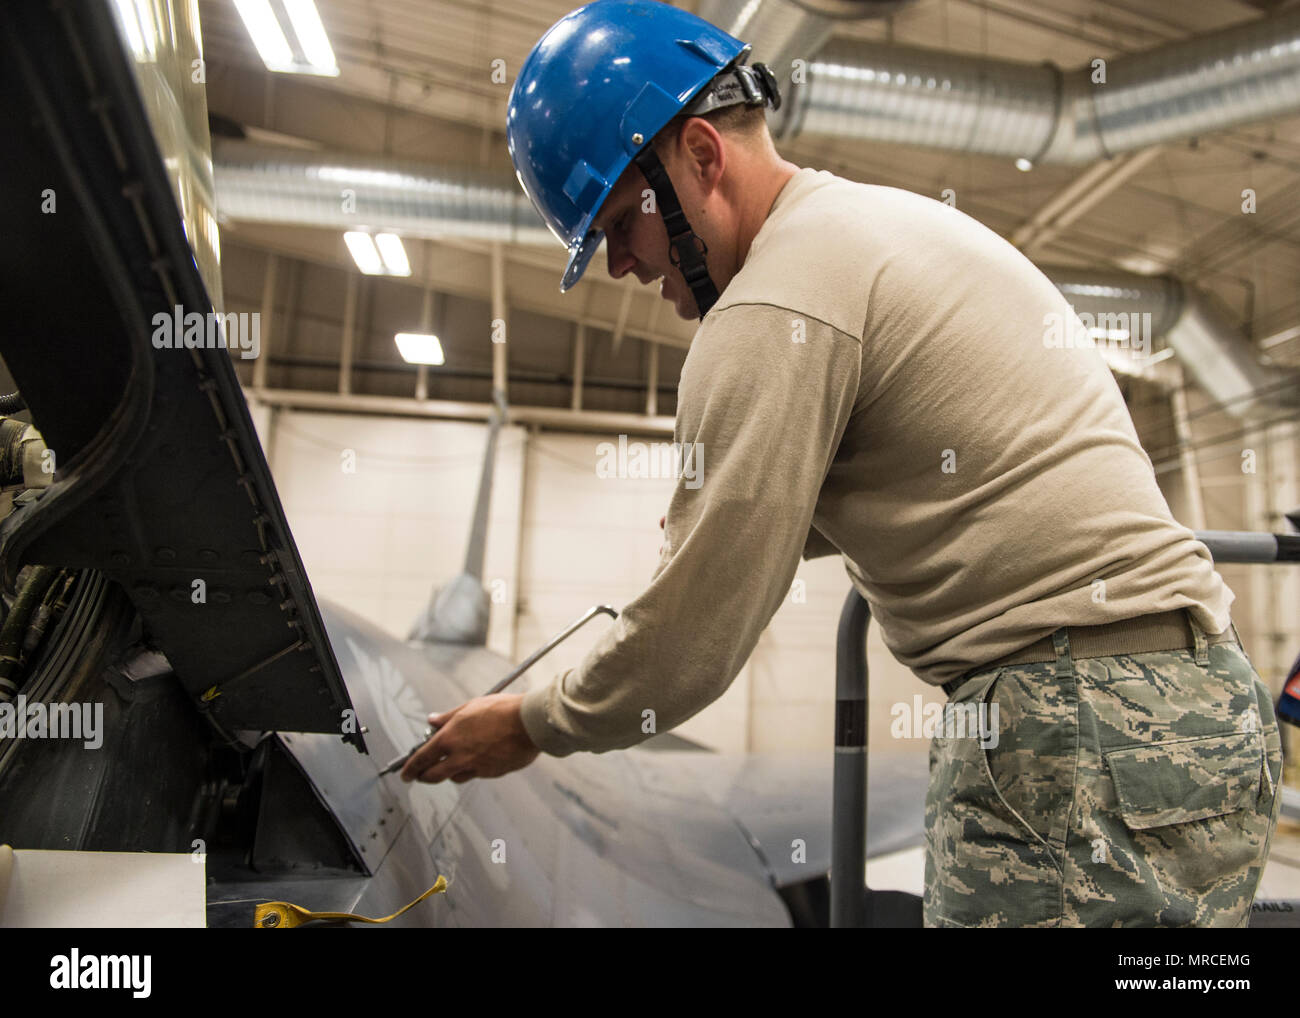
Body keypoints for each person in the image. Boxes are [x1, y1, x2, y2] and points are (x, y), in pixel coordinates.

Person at [401, 0, 1283, 928]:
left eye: (621, 224)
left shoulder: (773, 306)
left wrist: (532, 722)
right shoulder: (870, 230)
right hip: (1201, 714)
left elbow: (690, 646)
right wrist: (724, 526)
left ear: (700, 156)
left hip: (1073, 735)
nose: (620, 264)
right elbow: (910, 488)